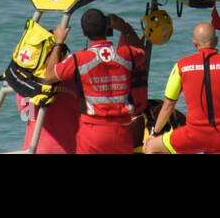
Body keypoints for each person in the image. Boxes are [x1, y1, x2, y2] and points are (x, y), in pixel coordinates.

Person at [143, 21, 220, 155]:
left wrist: (155, 133)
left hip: (193, 135)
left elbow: (168, 105)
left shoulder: (182, 66)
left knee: (151, 147)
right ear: (216, 41)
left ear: (195, 43)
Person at [43, 8, 147, 154]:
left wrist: (58, 43)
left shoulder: (79, 59)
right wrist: (125, 27)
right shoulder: (126, 54)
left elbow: (49, 75)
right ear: (107, 27)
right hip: (121, 129)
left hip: (92, 130)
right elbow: (142, 52)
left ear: (84, 32)